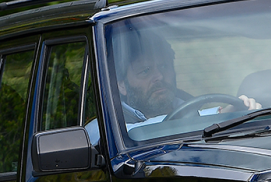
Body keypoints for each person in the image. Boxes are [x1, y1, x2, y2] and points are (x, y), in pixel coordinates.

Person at [111, 20, 260, 124]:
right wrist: (220, 116)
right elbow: (137, 133)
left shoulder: (194, 107)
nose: (159, 76)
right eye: (145, 71)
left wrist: (237, 112)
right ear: (122, 84)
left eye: (164, 67)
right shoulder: (105, 130)